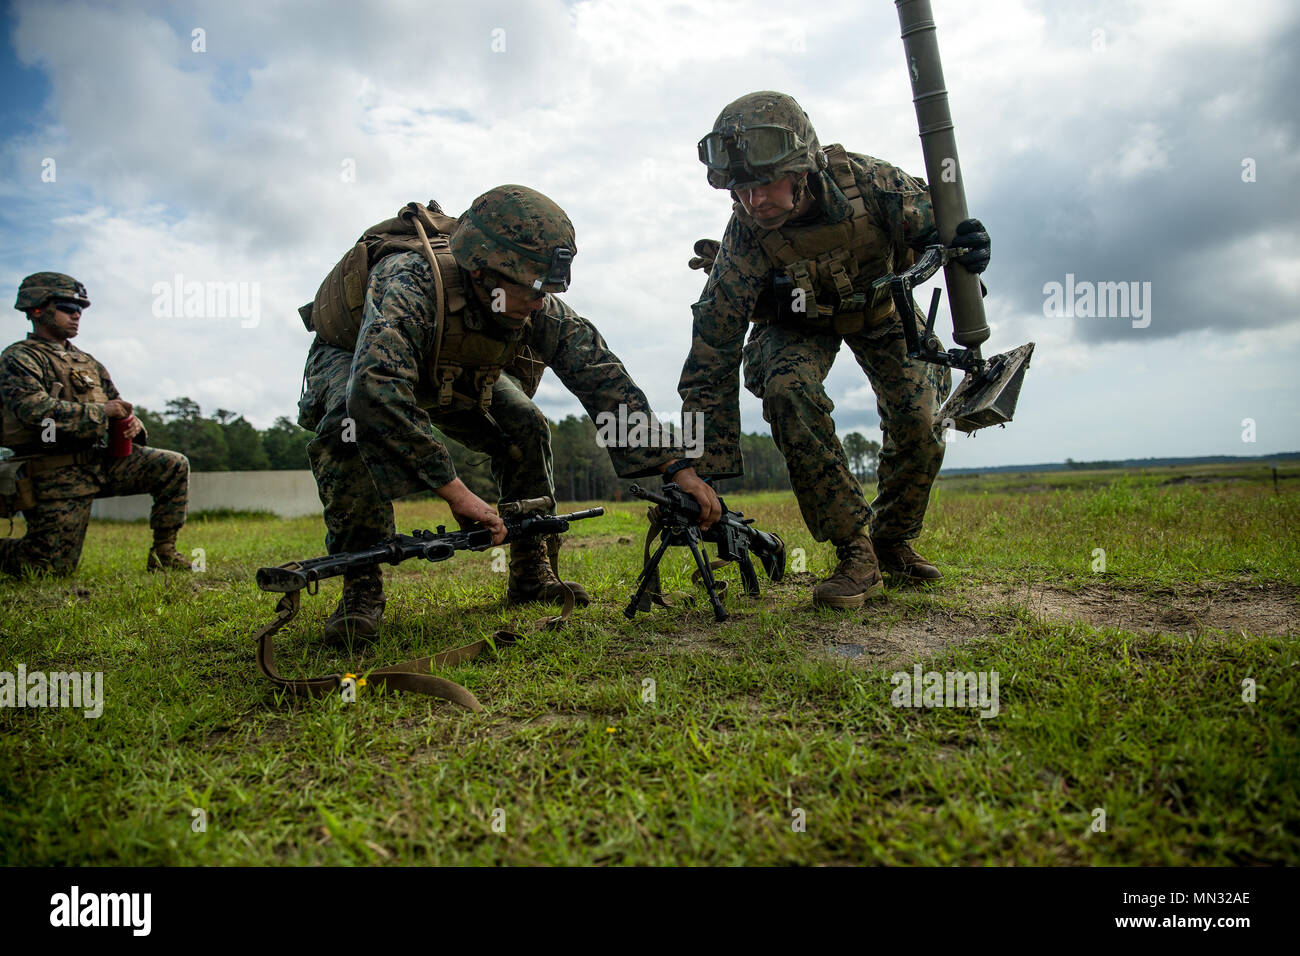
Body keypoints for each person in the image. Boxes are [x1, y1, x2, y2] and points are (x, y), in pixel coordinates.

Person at [298, 185, 720, 640]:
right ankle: (360, 587)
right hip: (356, 359)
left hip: (450, 366)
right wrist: (456, 493)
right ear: (485, 272)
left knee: (526, 424)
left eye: (550, 289)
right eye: (535, 288)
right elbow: (375, 388)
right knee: (346, 424)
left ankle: (530, 568)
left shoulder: (534, 304)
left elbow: (602, 378)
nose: (542, 301)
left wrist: (675, 468)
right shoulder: (408, 279)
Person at [678, 91, 991, 608]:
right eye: (738, 190)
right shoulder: (744, 238)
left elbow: (943, 230)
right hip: (798, 323)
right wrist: (700, 467)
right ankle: (856, 552)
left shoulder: (872, 184)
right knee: (786, 388)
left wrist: (969, 243)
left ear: (802, 169)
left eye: (762, 184)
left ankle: (892, 541)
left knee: (922, 420)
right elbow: (713, 345)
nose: (752, 202)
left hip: (882, 311)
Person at [0, 272, 191, 576]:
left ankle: (163, 554)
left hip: (99, 461)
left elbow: (118, 405)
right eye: (66, 307)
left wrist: (133, 425)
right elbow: (34, 411)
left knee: (172, 465)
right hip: (53, 469)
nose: (76, 314)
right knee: (48, 567)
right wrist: (103, 413)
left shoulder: (87, 361)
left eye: (80, 309)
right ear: (36, 309)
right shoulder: (19, 358)